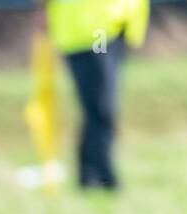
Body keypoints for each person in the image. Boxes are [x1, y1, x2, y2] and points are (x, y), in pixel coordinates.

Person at [43, 0, 149, 189]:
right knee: (101, 108)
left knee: (98, 109)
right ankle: (102, 176)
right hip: (95, 34)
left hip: (112, 29)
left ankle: (92, 175)